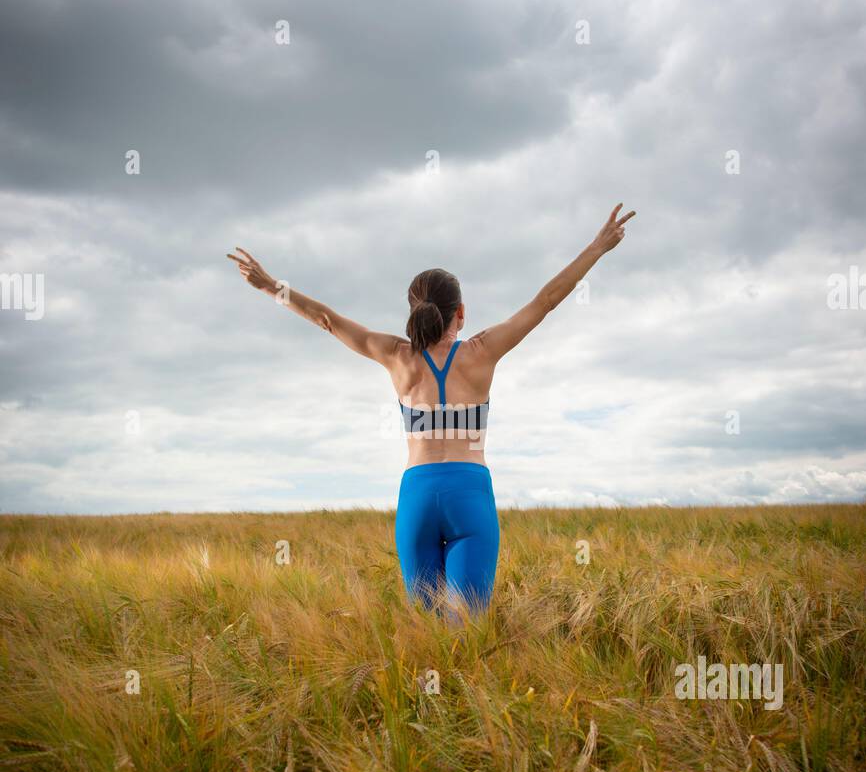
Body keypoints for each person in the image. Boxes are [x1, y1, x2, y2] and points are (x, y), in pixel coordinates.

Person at [228, 203, 635, 617]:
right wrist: (597, 247)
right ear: (460, 312)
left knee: (425, 633)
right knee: (465, 632)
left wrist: (268, 285)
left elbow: (326, 320)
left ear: (414, 312)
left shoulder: (396, 356)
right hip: (469, 493)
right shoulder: (482, 352)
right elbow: (545, 300)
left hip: (417, 497)